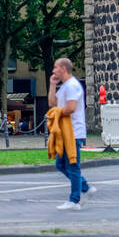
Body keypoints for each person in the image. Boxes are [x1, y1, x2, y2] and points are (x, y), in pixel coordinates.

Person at [48, 57, 93, 210]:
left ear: (63, 69)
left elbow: (71, 108)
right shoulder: (65, 86)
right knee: (60, 164)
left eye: (55, 67)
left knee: (73, 165)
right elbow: (52, 103)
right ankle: (85, 187)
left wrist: (56, 113)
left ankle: (74, 200)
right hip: (65, 131)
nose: (53, 71)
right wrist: (52, 84)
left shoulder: (73, 85)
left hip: (73, 131)